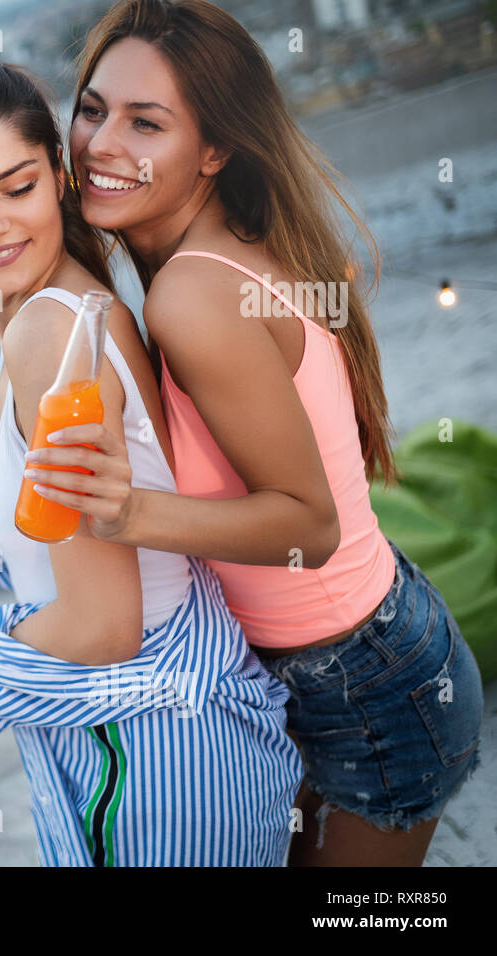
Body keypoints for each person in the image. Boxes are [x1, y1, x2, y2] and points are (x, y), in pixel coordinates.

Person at [26, 0, 483, 865]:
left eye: (145, 122)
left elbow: (310, 523)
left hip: (364, 683)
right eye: (92, 109)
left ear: (214, 150)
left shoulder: (190, 296)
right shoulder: (223, 254)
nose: (100, 143)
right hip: (361, 653)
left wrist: (129, 515)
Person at [0, 56, 303, 866]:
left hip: (156, 761)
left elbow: (101, 624)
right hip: (156, 739)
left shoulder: (47, 332)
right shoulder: (56, 305)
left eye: (15, 188)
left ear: (59, 175)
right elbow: (72, 537)